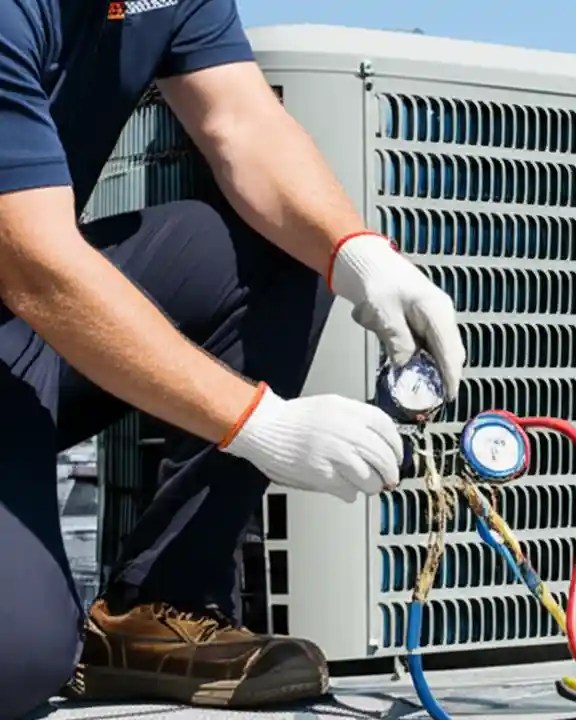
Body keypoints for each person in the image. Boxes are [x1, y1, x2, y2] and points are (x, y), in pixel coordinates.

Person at [0, 1, 466, 716]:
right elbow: (33, 265)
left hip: (21, 327)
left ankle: (157, 611)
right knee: (17, 660)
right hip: (26, 278)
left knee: (288, 251)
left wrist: (361, 255)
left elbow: (241, 125)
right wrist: (260, 425)